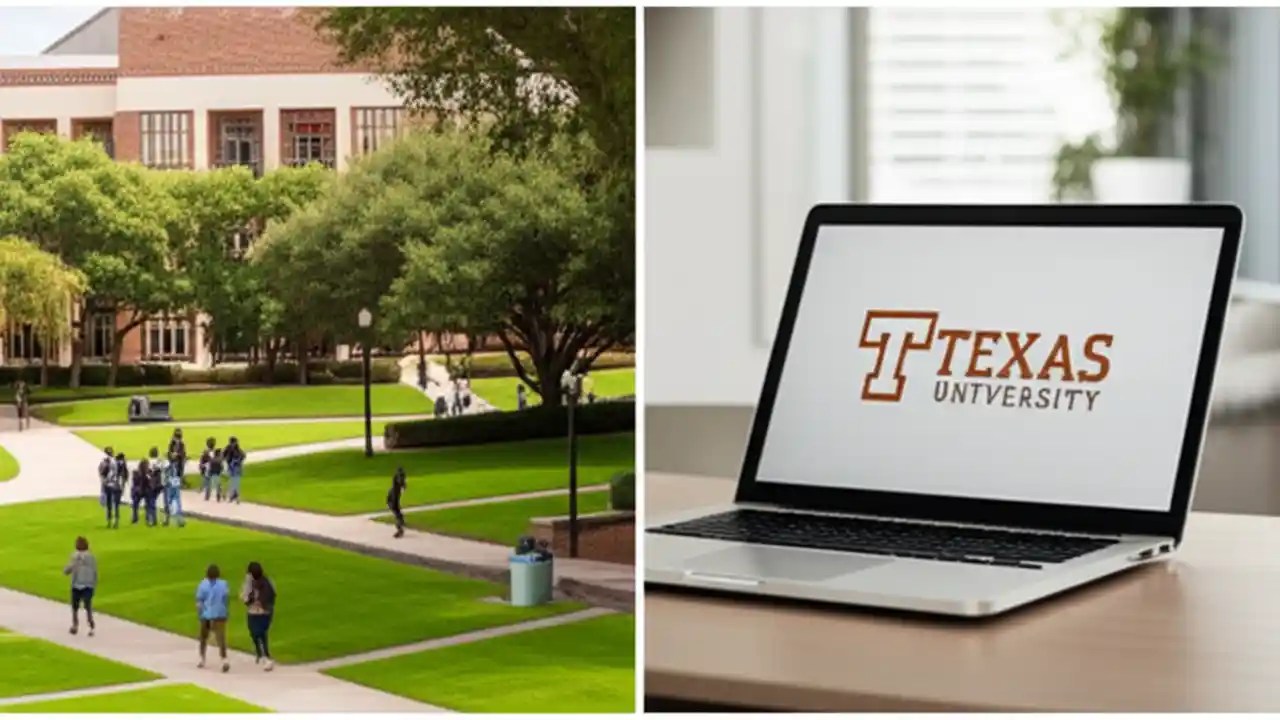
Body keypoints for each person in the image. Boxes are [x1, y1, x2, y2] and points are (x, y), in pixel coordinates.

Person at [240, 561, 276, 671]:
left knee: (260, 633)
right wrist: (248, 600)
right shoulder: (249, 581)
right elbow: (245, 595)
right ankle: (260, 654)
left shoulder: (266, 583)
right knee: (253, 633)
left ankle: (266, 656)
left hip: (264, 613)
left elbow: (270, 596)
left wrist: (261, 603)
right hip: (252, 612)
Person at [195, 564, 231, 673]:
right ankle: (224, 659)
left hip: (206, 614)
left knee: (203, 637)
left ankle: (202, 658)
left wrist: (200, 612)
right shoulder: (223, 584)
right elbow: (225, 599)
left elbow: (199, 601)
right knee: (221, 638)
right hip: (220, 614)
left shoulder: (203, 585)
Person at [63, 536, 97, 637]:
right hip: (87, 585)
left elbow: (68, 569)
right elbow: (95, 572)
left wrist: (69, 568)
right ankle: (90, 625)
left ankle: (76, 625)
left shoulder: (77, 557)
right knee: (87, 606)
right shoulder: (91, 557)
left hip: (79, 584)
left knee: (75, 607)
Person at [163, 452, 185, 528]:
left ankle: (167, 520)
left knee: (168, 503)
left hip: (169, 485)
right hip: (176, 484)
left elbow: (165, 475)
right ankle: (180, 520)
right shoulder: (178, 466)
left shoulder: (169, 466)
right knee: (178, 503)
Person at [103, 453, 124, 529]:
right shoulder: (120, 464)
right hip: (116, 486)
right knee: (115, 505)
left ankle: (110, 521)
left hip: (111, 486)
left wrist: (105, 482)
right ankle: (115, 522)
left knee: (110, 505)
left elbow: (105, 476)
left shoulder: (108, 465)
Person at [143, 449, 162, 527]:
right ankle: (152, 519)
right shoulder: (159, 462)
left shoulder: (148, 462)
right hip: (158, 485)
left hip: (150, 485)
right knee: (152, 501)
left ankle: (150, 519)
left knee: (149, 502)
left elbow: (147, 474)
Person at [386, 467, 407, 538]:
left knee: (397, 511)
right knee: (397, 512)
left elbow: (402, 483)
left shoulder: (398, 478)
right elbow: (401, 483)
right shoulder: (398, 478)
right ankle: (400, 524)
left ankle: (400, 525)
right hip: (393, 495)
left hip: (394, 494)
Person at [225, 437, 245, 504]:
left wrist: (237, 461)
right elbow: (224, 456)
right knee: (232, 481)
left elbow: (243, 455)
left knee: (236, 481)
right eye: (233, 443)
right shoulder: (228, 448)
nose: (234, 444)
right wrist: (229, 461)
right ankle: (233, 495)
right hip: (231, 467)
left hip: (237, 467)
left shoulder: (238, 449)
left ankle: (235, 496)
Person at [130, 459, 147, 525]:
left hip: (137, 491)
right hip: (143, 491)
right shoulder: (145, 473)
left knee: (135, 505)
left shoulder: (136, 472)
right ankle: (148, 518)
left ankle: (135, 519)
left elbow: (134, 482)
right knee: (147, 505)